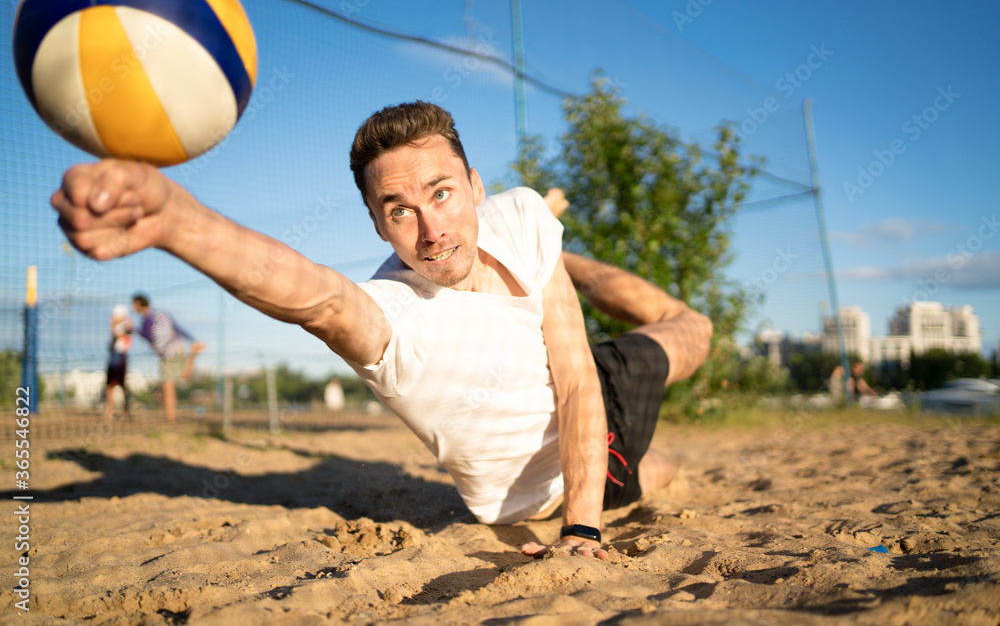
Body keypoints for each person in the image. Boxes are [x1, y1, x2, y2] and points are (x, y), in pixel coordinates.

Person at [50, 101, 712, 560]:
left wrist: (585, 529)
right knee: (660, 467)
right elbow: (320, 299)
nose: (432, 229)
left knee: (695, 330)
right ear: (376, 224)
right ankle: (560, 262)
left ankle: (562, 260)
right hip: (550, 486)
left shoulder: (519, 213)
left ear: (475, 186)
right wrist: (177, 222)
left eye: (442, 193)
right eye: (400, 211)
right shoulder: (396, 316)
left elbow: (575, 378)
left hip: (592, 387)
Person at [130, 293, 205, 423]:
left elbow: (148, 336)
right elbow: (177, 327)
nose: (132, 307)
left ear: (139, 304)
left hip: (168, 353)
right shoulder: (161, 314)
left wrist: (133, 329)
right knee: (182, 377)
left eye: (134, 304)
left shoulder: (147, 319)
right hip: (178, 347)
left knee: (167, 386)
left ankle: (170, 419)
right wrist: (192, 339)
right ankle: (192, 355)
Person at [103, 304, 133, 422]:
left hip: (120, 360)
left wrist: (118, 324)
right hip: (113, 359)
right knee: (109, 386)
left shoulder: (125, 326)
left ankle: (125, 412)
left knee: (122, 386)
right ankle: (109, 411)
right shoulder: (117, 325)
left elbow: (121, 334)